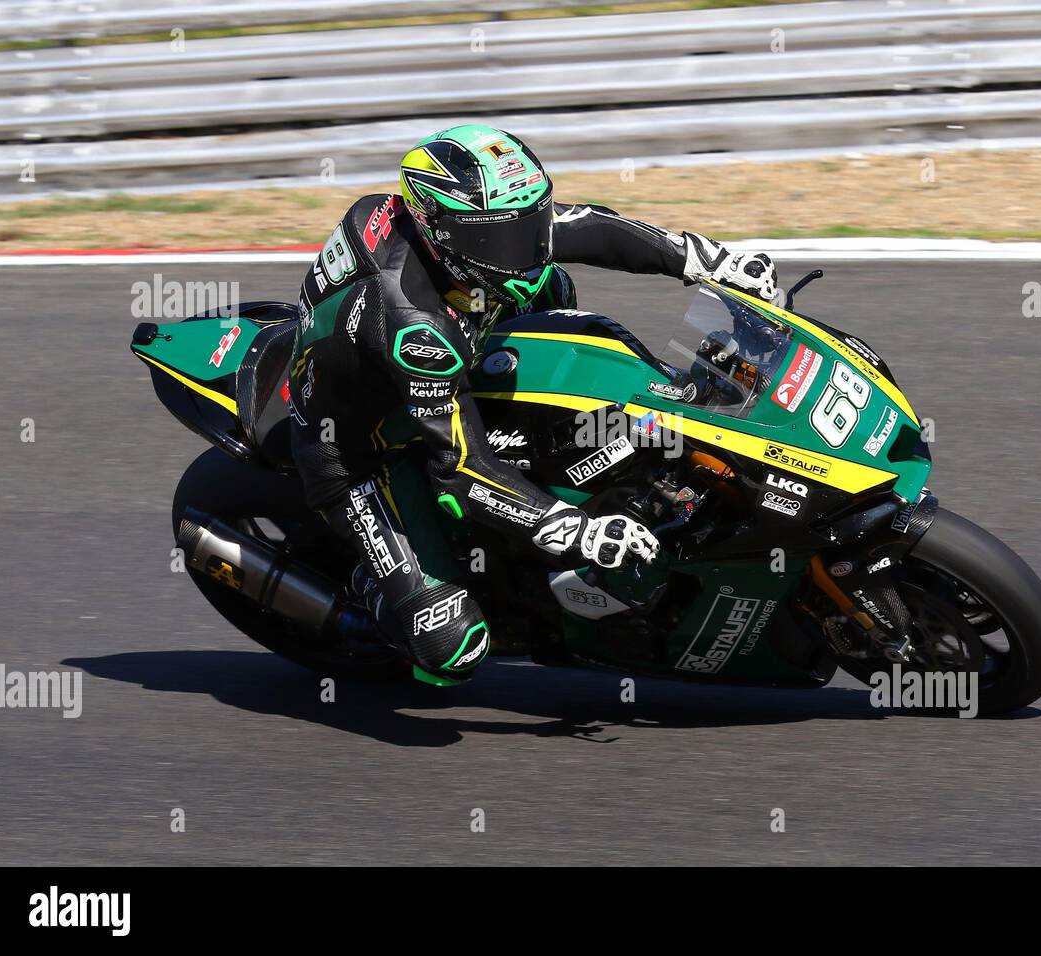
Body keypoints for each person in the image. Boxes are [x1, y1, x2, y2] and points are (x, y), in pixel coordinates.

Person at [289, 124, 784, 685]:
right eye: (503, 238)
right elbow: (461, 470)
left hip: (436, 365)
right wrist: (575, 530)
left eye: (531, 220)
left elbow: (590, 228)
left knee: (553, 290)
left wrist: (708, 260)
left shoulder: (471, 230)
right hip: (359, 446)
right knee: (448, 649)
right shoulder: (416, 326)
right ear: (441, 232)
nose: (524, 249)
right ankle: (368, 594)